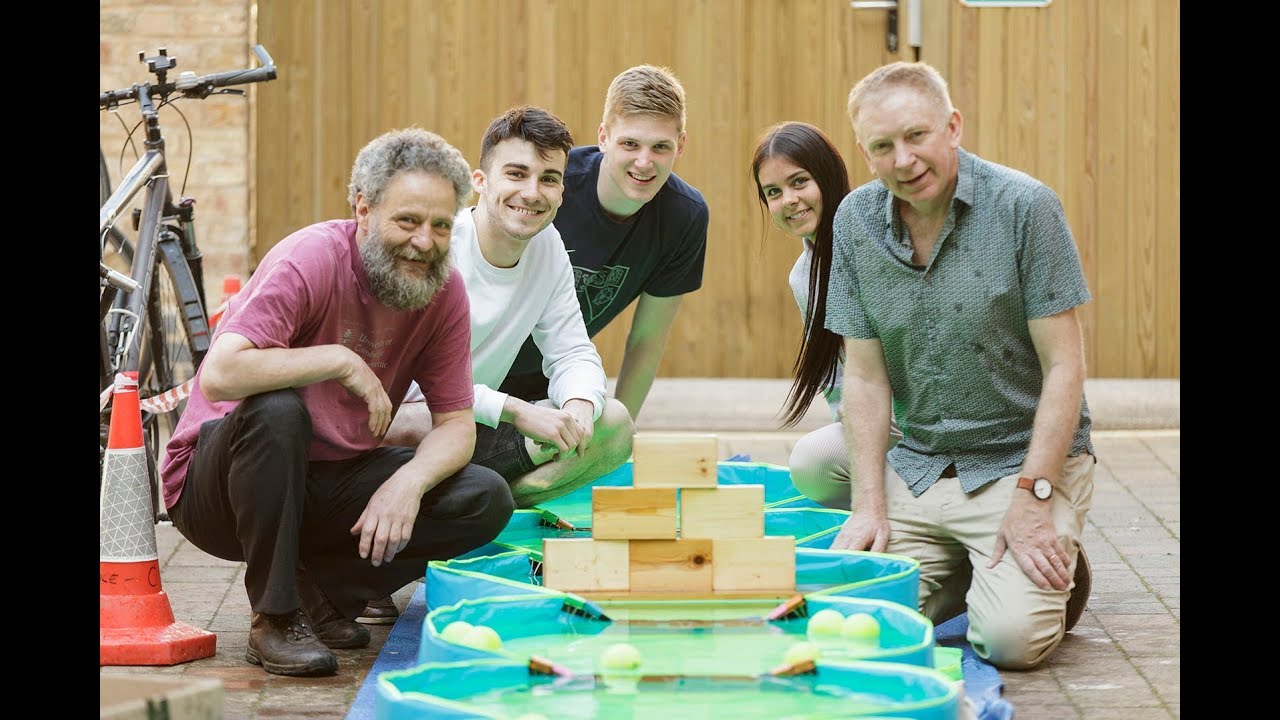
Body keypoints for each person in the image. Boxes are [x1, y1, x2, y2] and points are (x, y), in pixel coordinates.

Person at [158, 127, 515, 677]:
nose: (425, 241)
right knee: (278, 409)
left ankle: (318, 592)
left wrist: (408, 483)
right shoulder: (312, 258)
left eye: (441, 226)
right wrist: (342, 361)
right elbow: (222, 374)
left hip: (327, 480)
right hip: (219, 487)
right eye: (408, 221)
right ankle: (274, 620)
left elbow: (455, 426)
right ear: (364, 210)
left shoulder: (444, 294)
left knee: (483, 494)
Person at [824, 61, 1096, 670]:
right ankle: (980, 570)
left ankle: (1053, 559)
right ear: (866, 154)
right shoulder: (854, 222)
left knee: (1009, 643)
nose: (903, 160)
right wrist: (869, 504)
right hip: (920, 467)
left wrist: (1035, 495)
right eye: (882, 146)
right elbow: (864, 378)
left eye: (916, 136)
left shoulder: (1026, 206)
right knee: (849, 626)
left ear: (953, 126)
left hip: (1017, 464)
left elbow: (1065, 368)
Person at [364, 106, 636, 624]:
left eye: (548, 179)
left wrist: (578, 407)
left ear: (562, 191)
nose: (531, 192)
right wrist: (518, 411)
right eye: (516, 174)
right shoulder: (438, 247)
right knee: (417, 422)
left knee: (613, 427)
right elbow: (416, 380)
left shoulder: (547, 247)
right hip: (406, 422)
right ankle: (403, 538)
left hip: (467, 427)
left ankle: (462, 522)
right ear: (480, 181)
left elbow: (573, 351)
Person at [496, 64, 709, 420]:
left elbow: (647, 338)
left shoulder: (684, 216)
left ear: (681, 145)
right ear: (604, 136)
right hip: (481, 370)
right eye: (630, 143)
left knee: (609, 430)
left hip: (555, 383)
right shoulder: (549, 186)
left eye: (661, 147)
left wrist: (620, 435)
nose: (644, 162)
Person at [750, 120, 902, 507]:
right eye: (773, 192)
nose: (789, 200)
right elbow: (838, 385)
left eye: (799, 182)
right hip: (889, 428)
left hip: (945, 418)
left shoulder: (885, 231)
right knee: (813, 464)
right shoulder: (803, 277)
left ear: (829, 175)